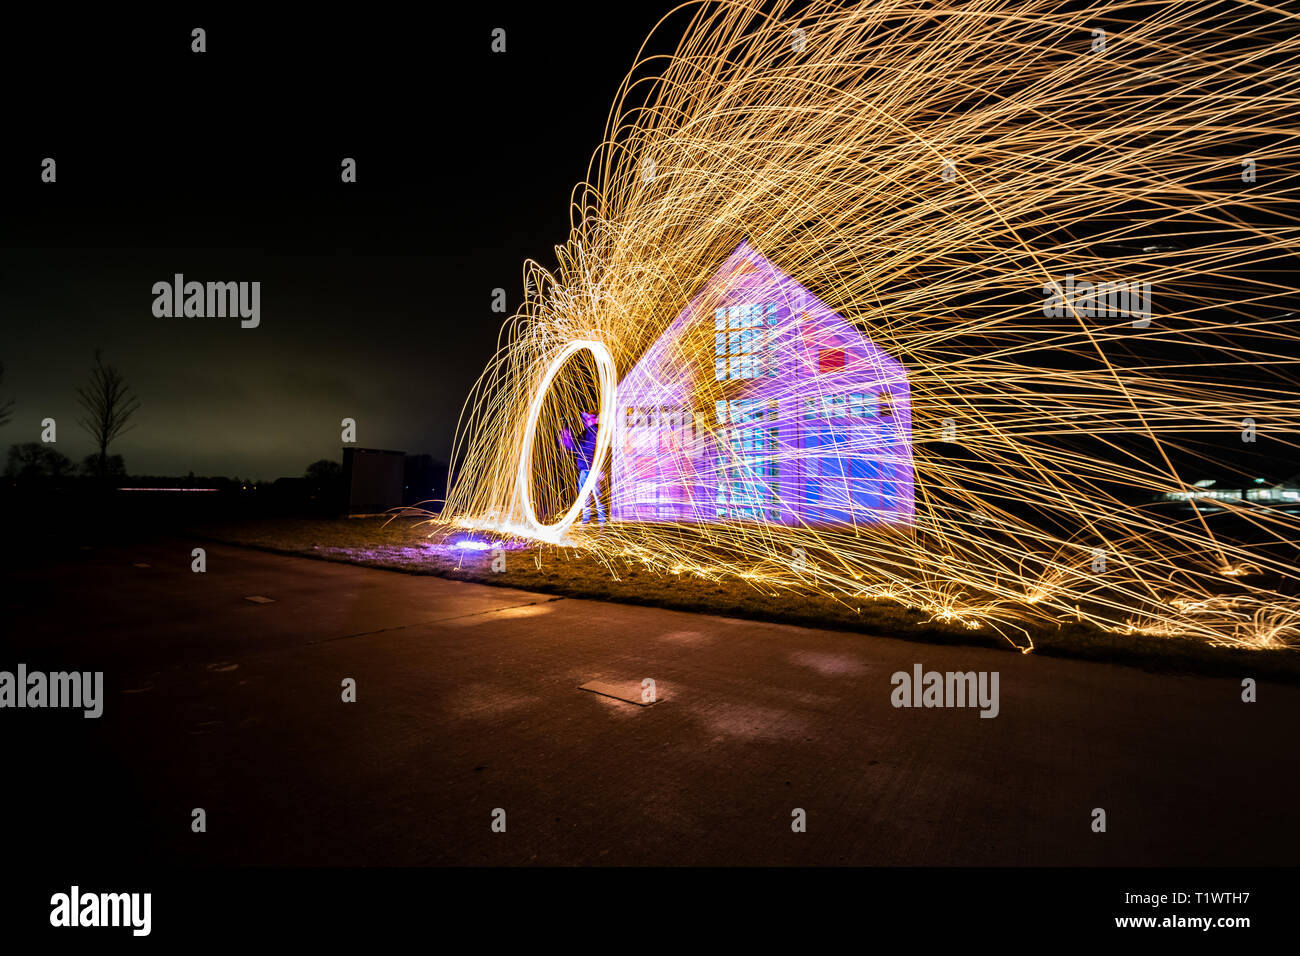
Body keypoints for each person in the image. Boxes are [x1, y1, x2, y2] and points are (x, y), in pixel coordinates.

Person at [558, 410, 606, 525]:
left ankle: (602, 524)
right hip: (584, 471)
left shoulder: (596, 432)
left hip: (593, 471)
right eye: (585, 419)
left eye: (588, 419)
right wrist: (567, 441)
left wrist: (600, 469)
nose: (585, 421)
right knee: (585, 499)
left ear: (594, 419)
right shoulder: (586, 432)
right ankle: (586, 521)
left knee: (597, 498)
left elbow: (592, 450)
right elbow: (576, 448)